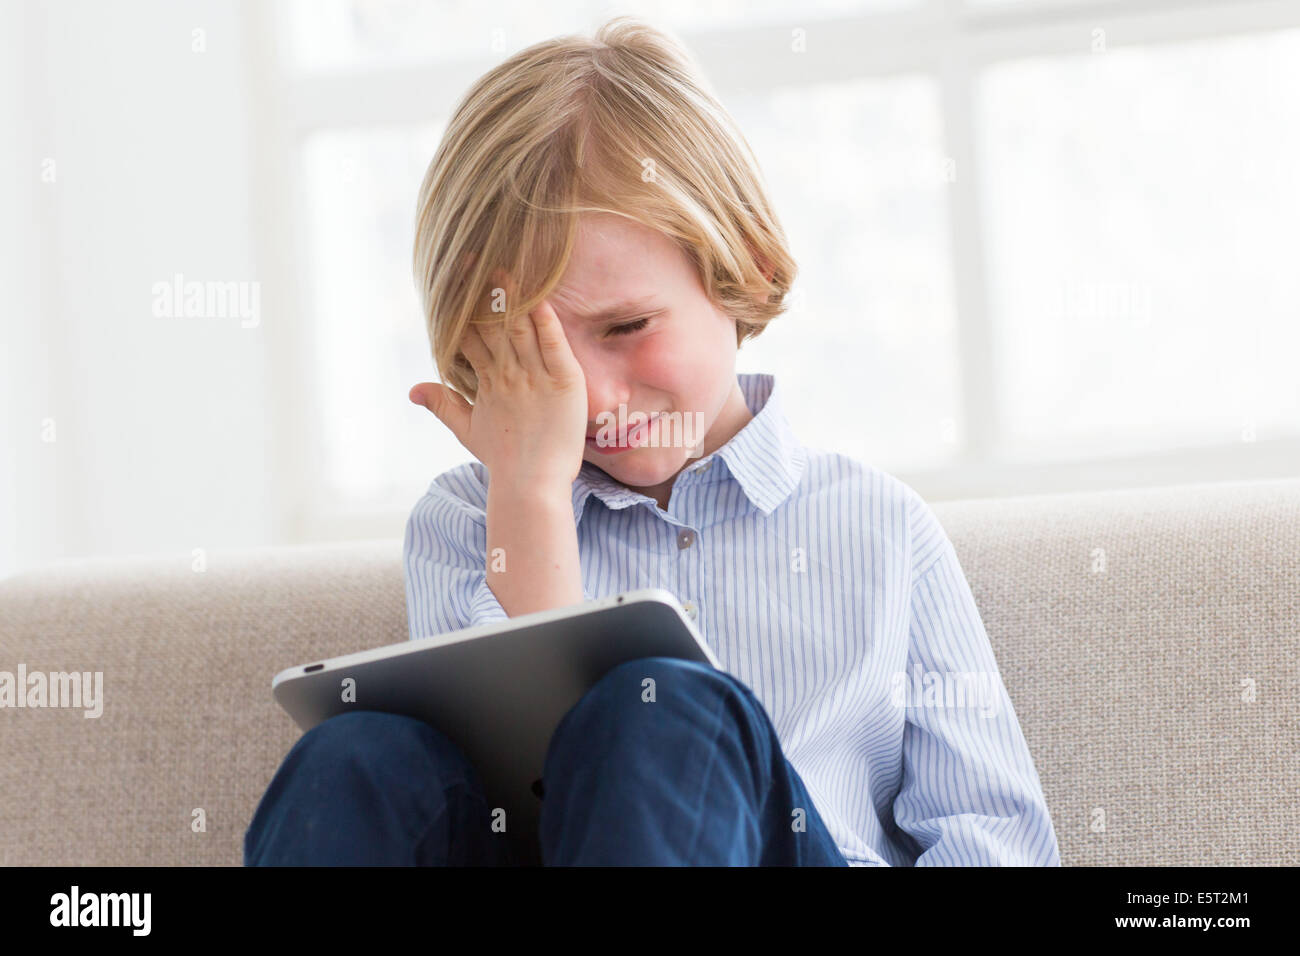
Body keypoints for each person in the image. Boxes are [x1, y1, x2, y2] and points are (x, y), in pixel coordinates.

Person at [245, 15, 1060, 867]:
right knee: (356, 759)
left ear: (738, 258)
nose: (590, 395)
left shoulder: (881, 529)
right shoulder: (467, 521)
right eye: (531, 357)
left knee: (658, 708)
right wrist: (528, 495)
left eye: (627, 325)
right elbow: (522, 781)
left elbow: (995, 839)